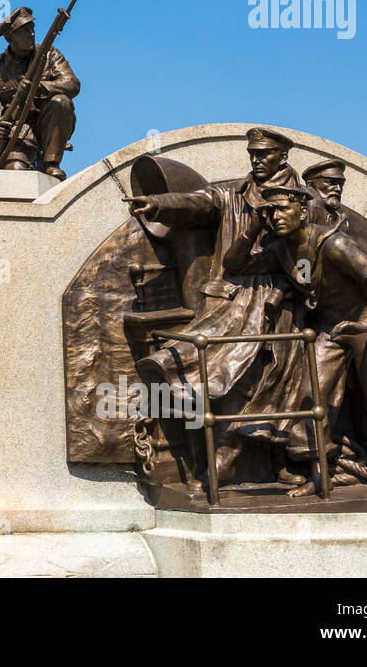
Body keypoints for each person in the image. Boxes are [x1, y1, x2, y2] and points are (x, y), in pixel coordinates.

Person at [223, 185, 367, 494]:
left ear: (302, 211)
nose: (275, 216)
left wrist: (365, 321)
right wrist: (253, 228)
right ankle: (319, 476)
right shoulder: (280, 249)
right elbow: (236, 265)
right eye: (269, 211)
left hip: (363, 324)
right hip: (329, 328)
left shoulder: (334, 242)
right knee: (312, 396)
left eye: (283, 209)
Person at [123, 127, 307, 484]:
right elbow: (197, 202)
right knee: (202, 365)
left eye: (263, 153)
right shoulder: (232, 194)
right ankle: (221, 456)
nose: (255, 159)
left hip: (279, 301)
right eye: (252, 153)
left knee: (263, 372)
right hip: (231, 299)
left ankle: (266, 458)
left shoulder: (303, 199)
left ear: (282, 156)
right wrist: (158, 204)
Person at [0, 6, 79, 178]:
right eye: (23, 31)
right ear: (9, 37)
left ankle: (51, 163)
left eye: (31, 28)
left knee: (61, 101)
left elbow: (72, 84)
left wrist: (40, 87)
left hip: (48, 126)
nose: (30, 34)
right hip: (18, 132)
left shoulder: (50, 55)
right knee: (16, 173)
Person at [303, 158, 348, 225]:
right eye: (331, 183)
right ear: (310, 184)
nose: (338, 189)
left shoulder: (341, 220)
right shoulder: (298, 211)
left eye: (341, 184)